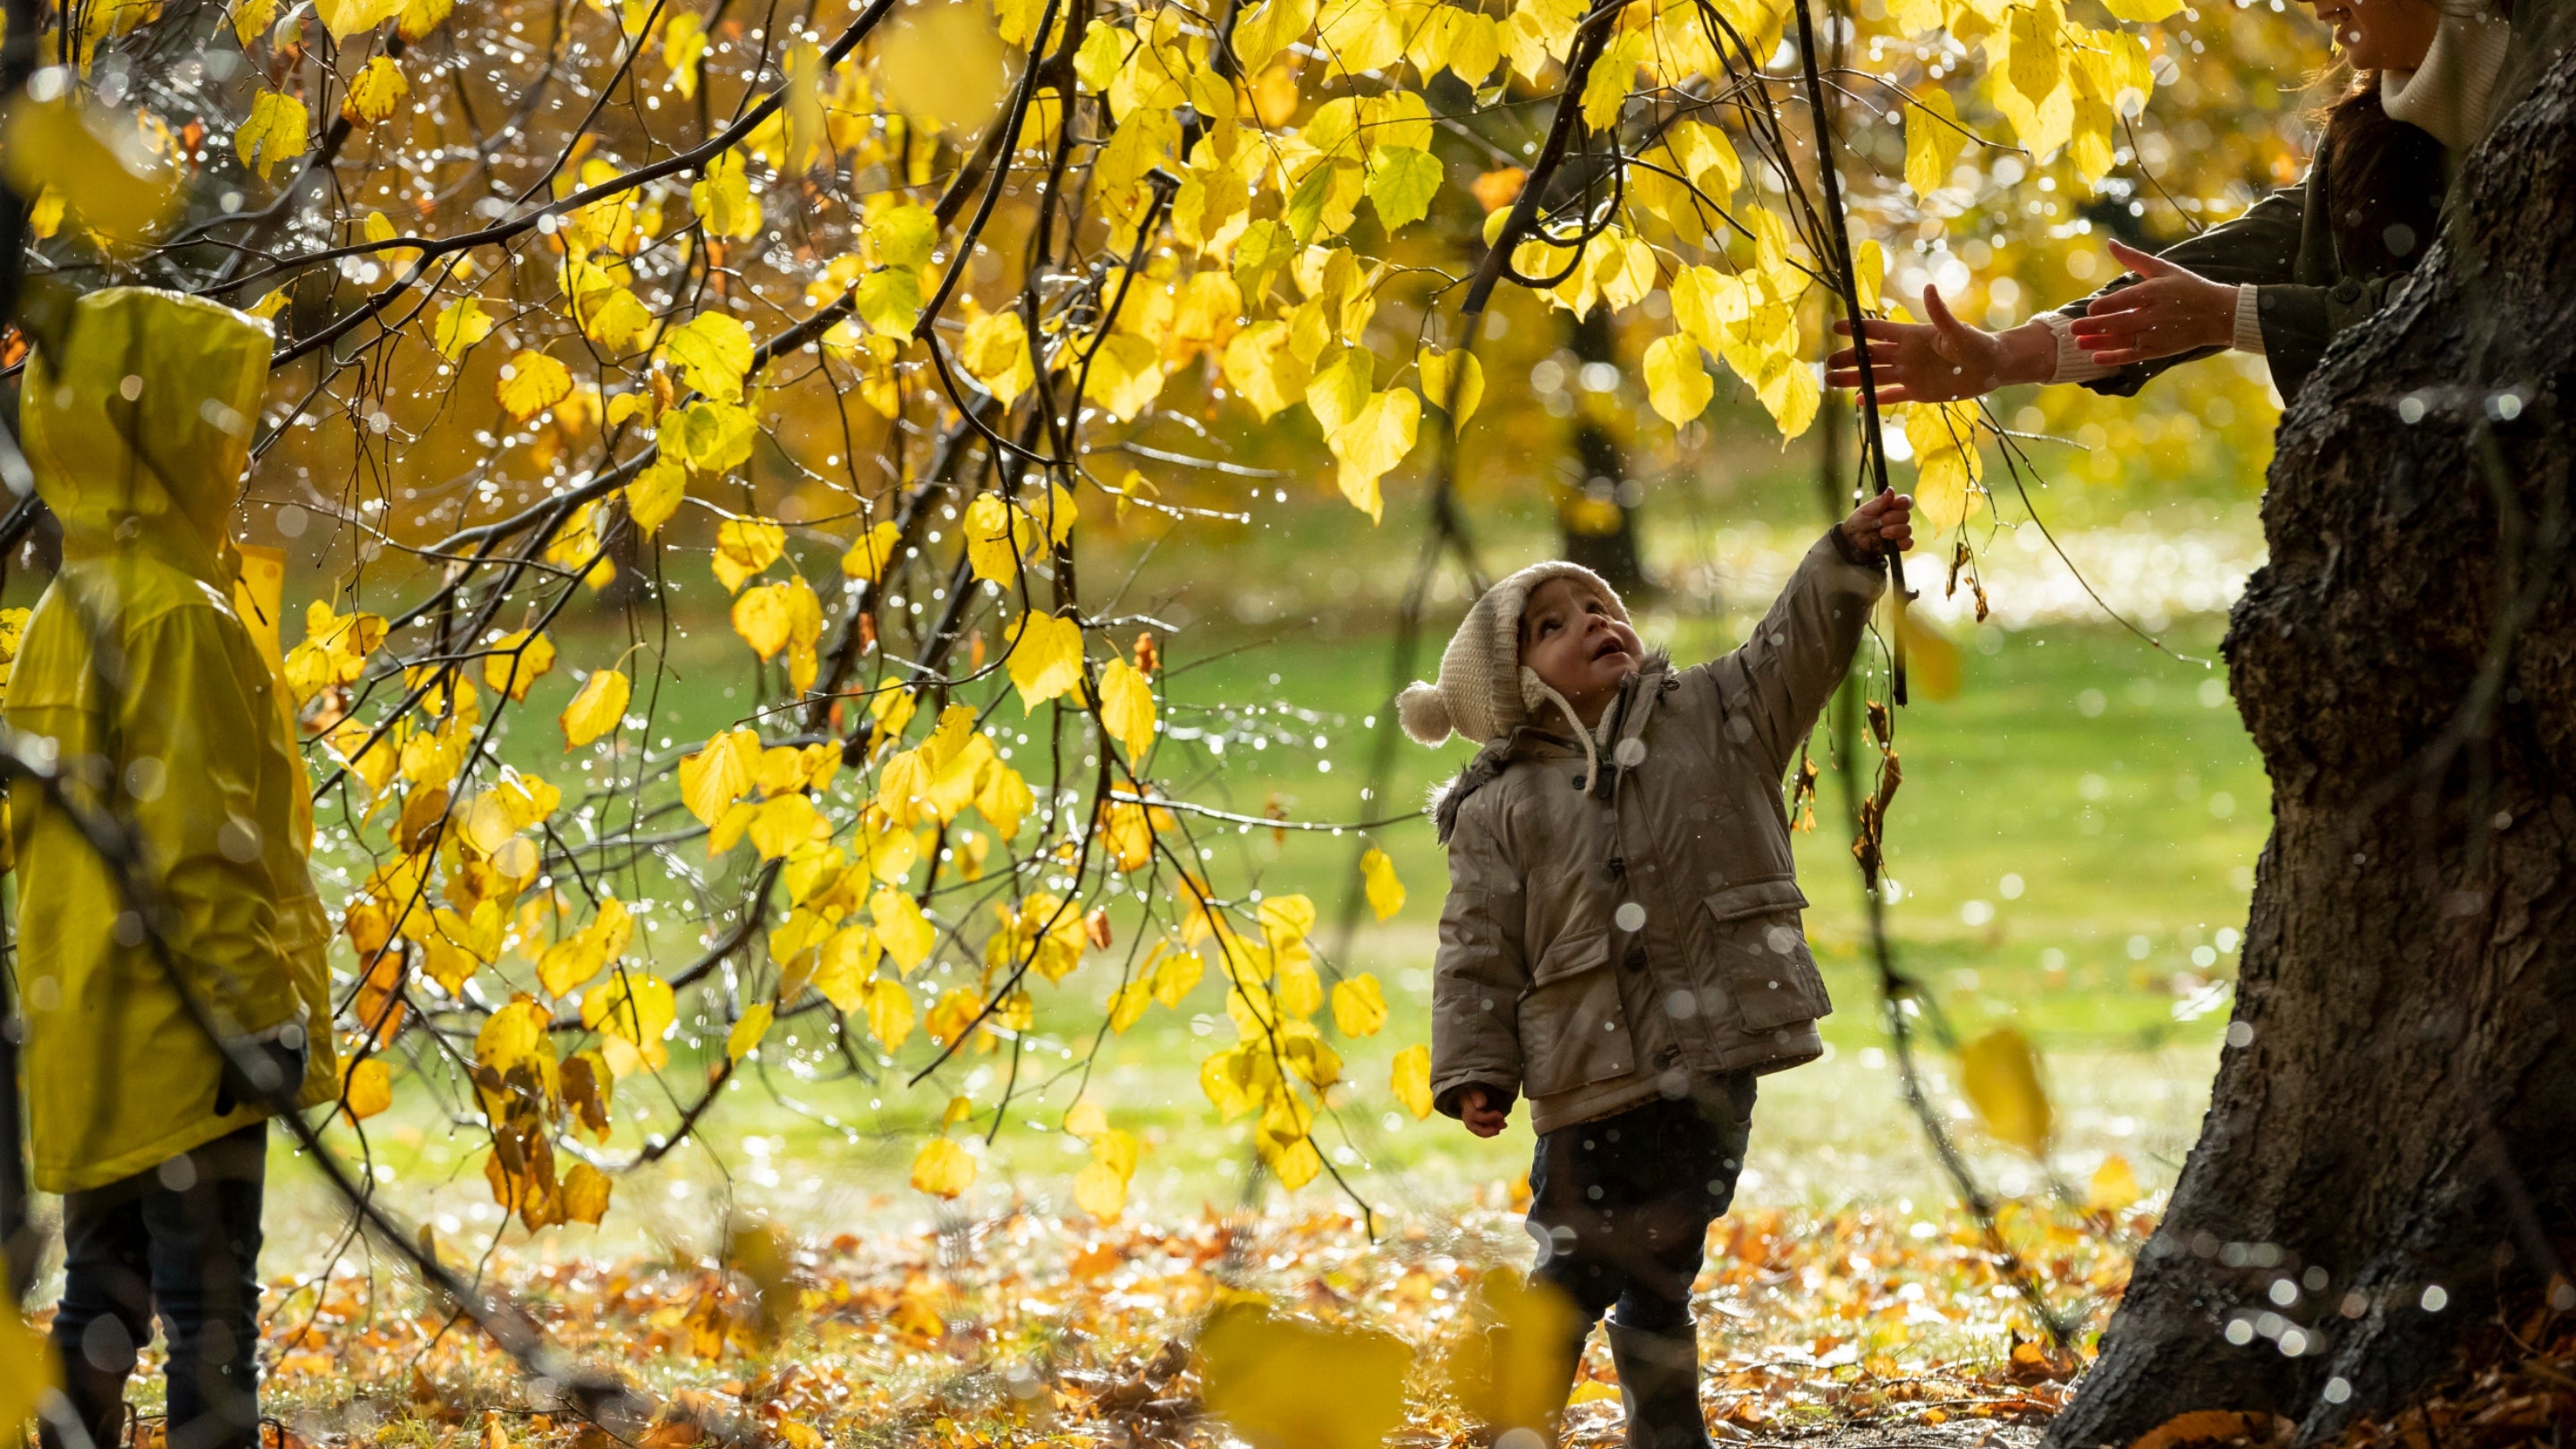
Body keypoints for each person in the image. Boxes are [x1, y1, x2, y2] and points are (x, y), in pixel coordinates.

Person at [1399, 490, 1912, 1449]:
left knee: (1667, 1260)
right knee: (1575, 1263)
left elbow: (1795, 647)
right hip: (1588, 1072)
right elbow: (1475, 949)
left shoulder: (1717, 713)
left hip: (1713, 1052)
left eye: (1599, 607)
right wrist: (1476, 1069)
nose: (1592, 623)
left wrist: (1846, 556)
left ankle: (1668, 1434)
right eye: (1552, 625)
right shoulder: (1498, 808)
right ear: (1512, 685)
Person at [6, 287, 338, 1449]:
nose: (241, 452)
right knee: (211, 1311)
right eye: (224, 425)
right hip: (188, 1031)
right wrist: (255, 1017)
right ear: (175, 439)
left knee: (103, 1299)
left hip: (90, 1025)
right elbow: (204, 848)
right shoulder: (183, 618)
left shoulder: (65, 609)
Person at [1826, 0, 2511, 408]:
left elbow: (2468, 317)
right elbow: (2246, 255)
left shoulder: (2542, 102)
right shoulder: (2372, 133)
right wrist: (2007, 355)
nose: (2313, 2)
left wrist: (2228, 315)